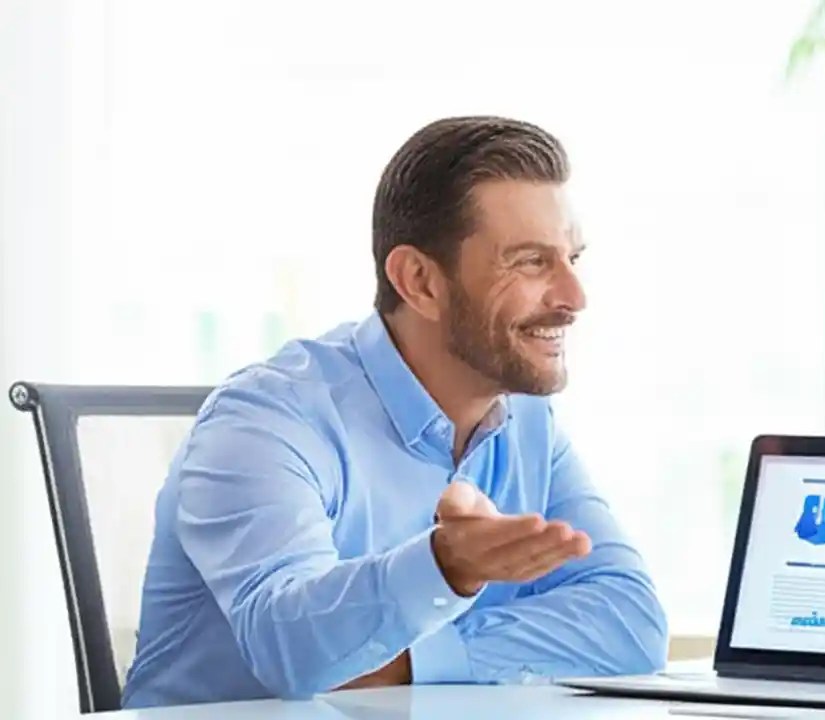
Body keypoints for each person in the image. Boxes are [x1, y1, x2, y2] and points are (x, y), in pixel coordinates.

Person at [121, 116, 668, 708]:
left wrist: (410, 661)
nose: (573, 297)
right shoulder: (265, 419)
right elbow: (289, 647)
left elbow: (631, 621)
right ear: (420, 281)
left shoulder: (528, 425)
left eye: (572, 259)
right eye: (532, 262)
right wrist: (443, 568)